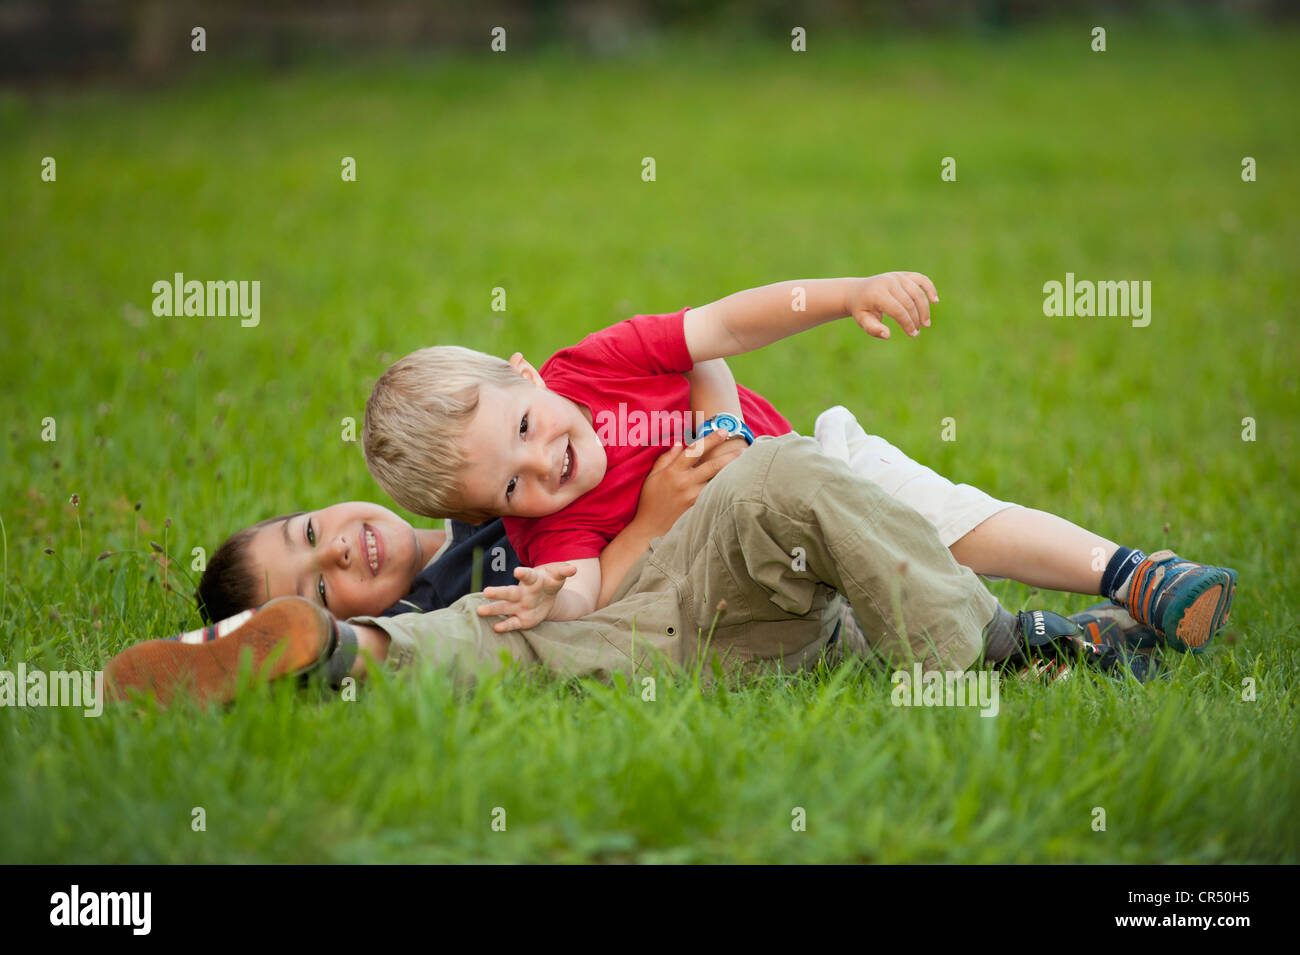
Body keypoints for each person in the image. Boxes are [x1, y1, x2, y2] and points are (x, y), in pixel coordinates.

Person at [360, 272, 1237, 654]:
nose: (540, 465)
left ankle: (1131, 573)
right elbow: (589, 584)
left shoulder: (590, 367)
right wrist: (566, 586)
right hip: (761, 567)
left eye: (523, 425)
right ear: (491, 511)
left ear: (526, 373)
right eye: (508, 483)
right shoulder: (549, 523)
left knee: (950, 520)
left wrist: (847, 294)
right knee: (877, 617)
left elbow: (722, 331)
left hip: (813, 470)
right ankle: (1037, 643)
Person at [106, 424, 1166, 707]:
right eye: (321, 581)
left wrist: (657, 502)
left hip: (750, 594)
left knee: (782, 471)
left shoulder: (488, 479)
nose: (338, 547)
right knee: (494, 630)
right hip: (617, 646)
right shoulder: (457, 594)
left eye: (306, 531)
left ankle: (992, 648)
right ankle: (327, 656)